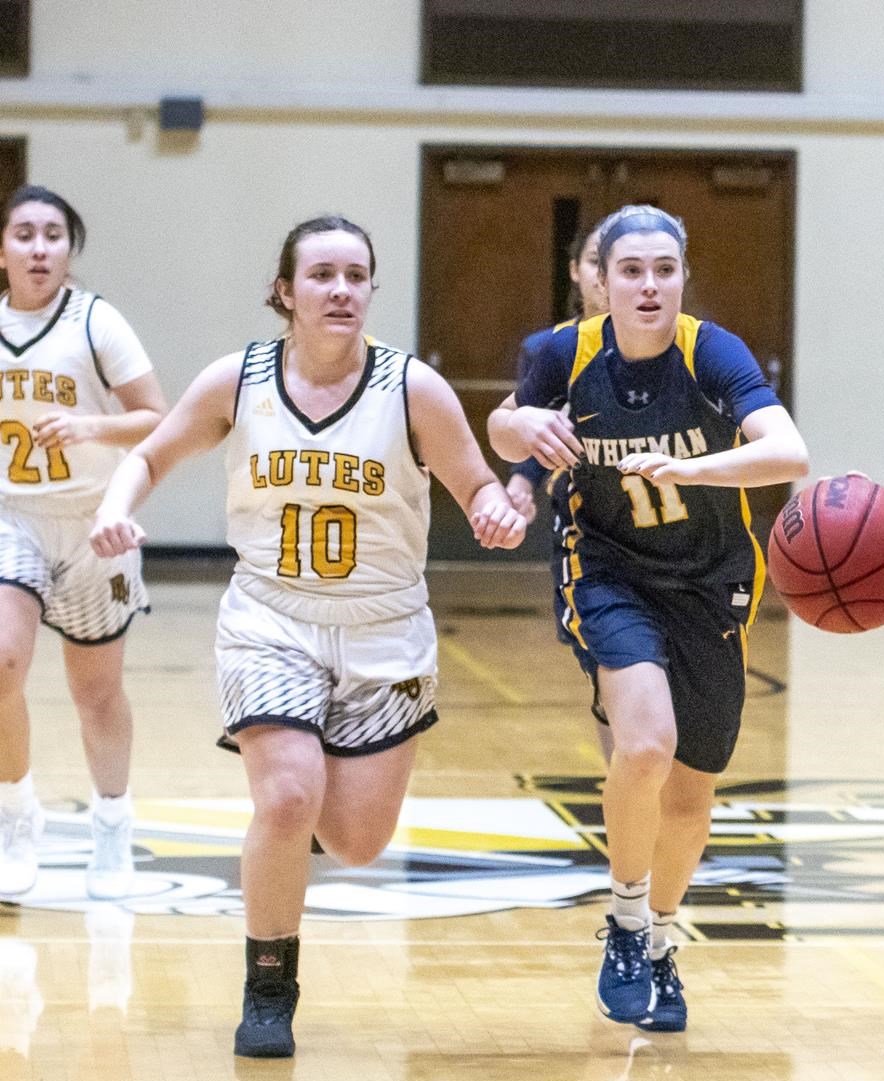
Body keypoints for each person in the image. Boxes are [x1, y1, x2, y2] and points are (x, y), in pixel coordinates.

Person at [89, 215, 527, 1058]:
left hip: (385, 627)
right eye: (322, 274)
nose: (342, 290)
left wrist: (496, 512)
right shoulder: (239, 380)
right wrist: (114, 508)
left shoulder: (412, 388)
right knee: (287, 796)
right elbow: (150, 454)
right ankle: (267, 987)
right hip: (271, 619)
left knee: (358, 842)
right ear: (285, 291)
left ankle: (299, 829)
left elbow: (476, 486)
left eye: (357, 276)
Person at [488, 205, 808, 1034]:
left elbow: (788, 451)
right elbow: (506, 424)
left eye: (664, 269)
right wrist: (518, 424)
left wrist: (693, 466)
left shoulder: (712, 352)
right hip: (609, 568)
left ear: (681, 276)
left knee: (693, 797)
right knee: (643, 743)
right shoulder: (563, 353)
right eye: (631, 270)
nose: (649, 285)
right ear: (604, 279)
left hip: (711, 582)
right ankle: (627, 922)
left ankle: (663, 938)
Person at [0, 185, 167, 900]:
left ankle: (111, 822)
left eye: (55, 236)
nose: (40, 248)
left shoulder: (98, 321)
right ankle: (16, 814)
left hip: (98, 521)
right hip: (15, 516)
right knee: (3, 660)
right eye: (26, 234)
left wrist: (91, 428)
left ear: (71, 251)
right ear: (3, 248)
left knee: (94, 692)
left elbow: (159, 416)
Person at [503, 220, 616, 761]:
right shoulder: (550, 350)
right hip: (592, 533)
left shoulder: (692, 346)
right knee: (613, 679)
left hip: (679, 533)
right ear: (576, 271)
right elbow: (529, 422)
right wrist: (522, 479)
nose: (607, 272)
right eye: (597, 259)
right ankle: (632, 809)